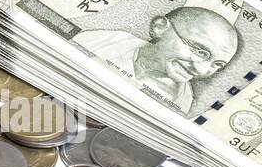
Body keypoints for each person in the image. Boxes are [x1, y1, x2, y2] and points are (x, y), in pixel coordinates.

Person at [74, 6, 239, 113]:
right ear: (160, 28)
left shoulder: (182, 105)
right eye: (200, 51)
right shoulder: (97, 42)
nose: (200, 70)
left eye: (217, 65)